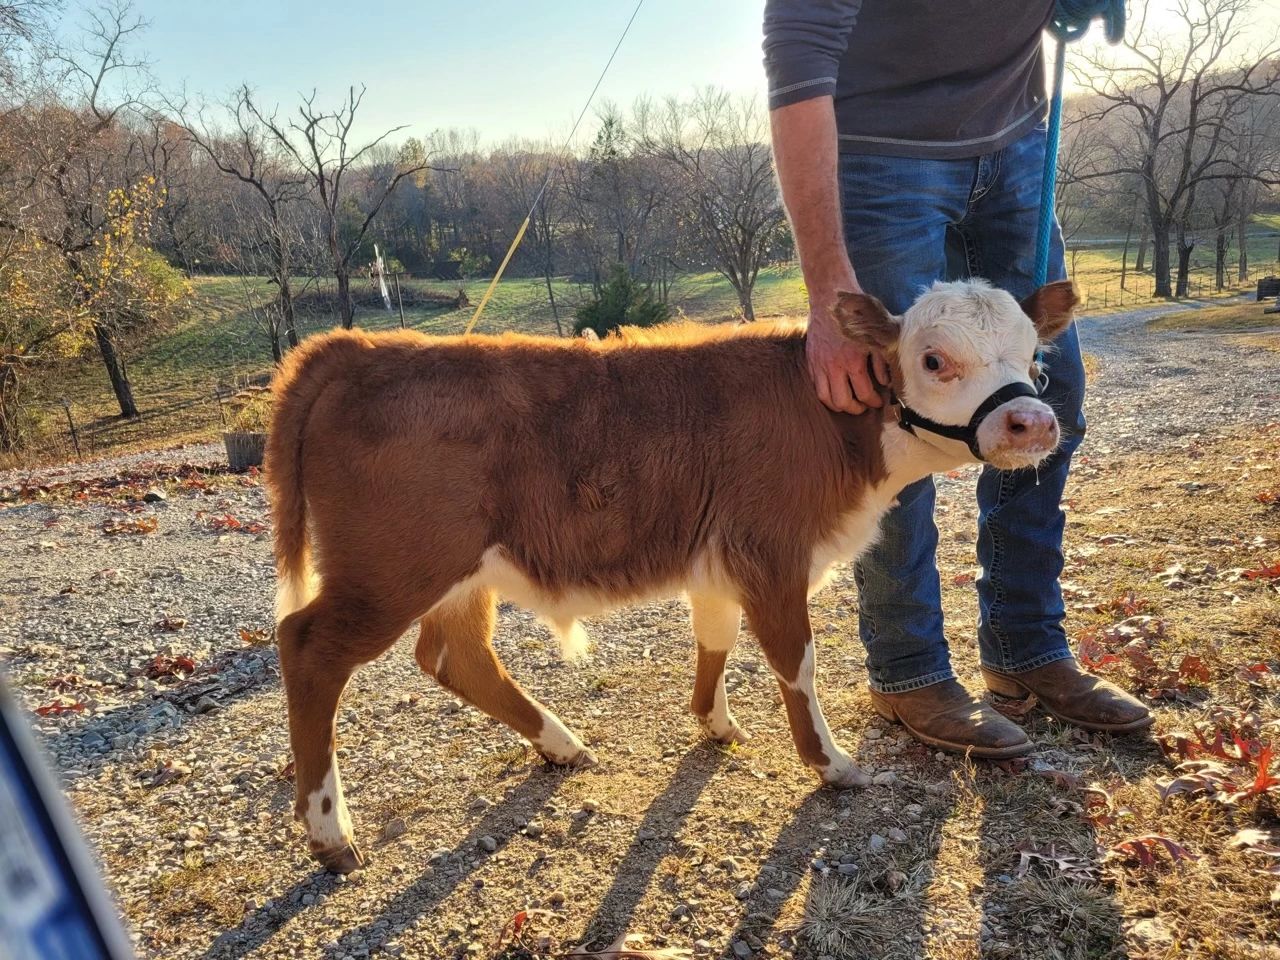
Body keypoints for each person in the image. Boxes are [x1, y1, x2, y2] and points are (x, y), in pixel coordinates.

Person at [763, 0, 1152, 757]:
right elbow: (799, 47)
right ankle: (908, 668)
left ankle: (1025, 647)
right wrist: (826, 295)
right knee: (889, 405)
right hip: (876, 152)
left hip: (1017, 138)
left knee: (1049, 392)